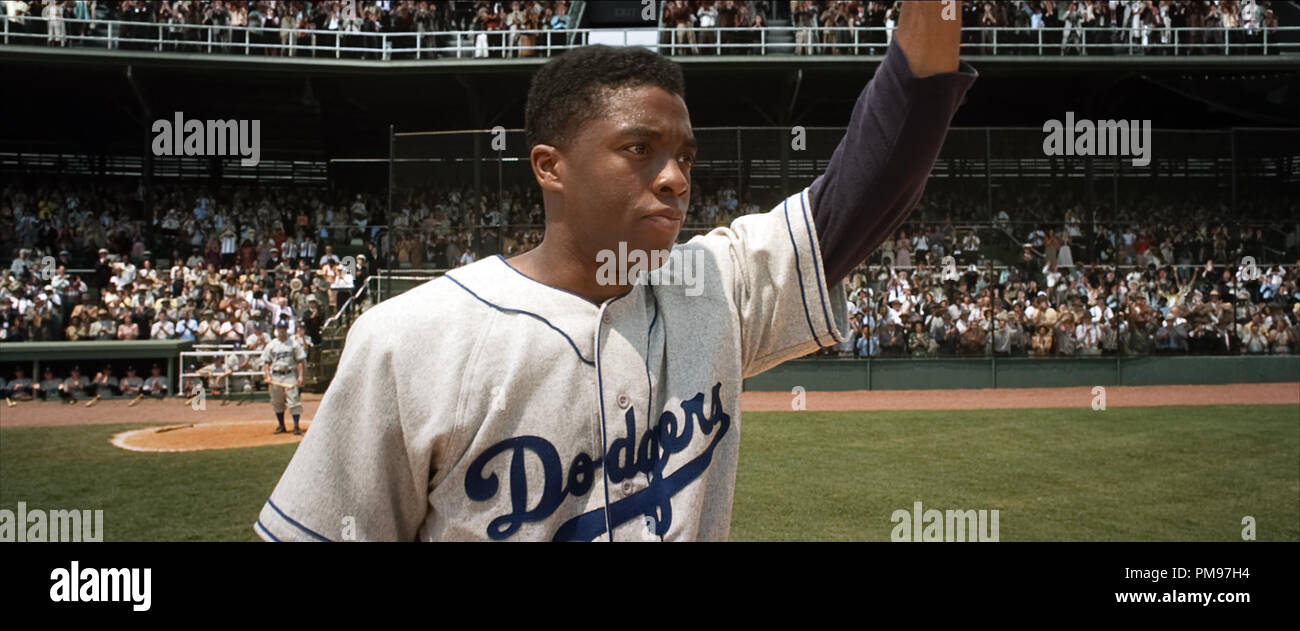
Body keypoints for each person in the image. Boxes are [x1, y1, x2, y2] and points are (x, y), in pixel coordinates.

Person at [257, 3, 974, 542]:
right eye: (640, 148)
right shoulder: (408, 339)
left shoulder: (713, 285)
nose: (675, 178)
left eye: (686, 157)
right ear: (550, 166)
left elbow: (882, 165)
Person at [262, 318, 307, 435]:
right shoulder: (271, 344)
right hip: (276, 375)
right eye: (280, 328)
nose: (282, 331)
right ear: (277, 330)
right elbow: (266, 362)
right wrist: (267, 376)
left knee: (294, 401)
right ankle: (281, 425)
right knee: (277, 402)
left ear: (287, 329)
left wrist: (300, 376)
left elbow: (300, 361)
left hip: (289, 374)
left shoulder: (293, 344)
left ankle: (296, 426)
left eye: (284, 328)